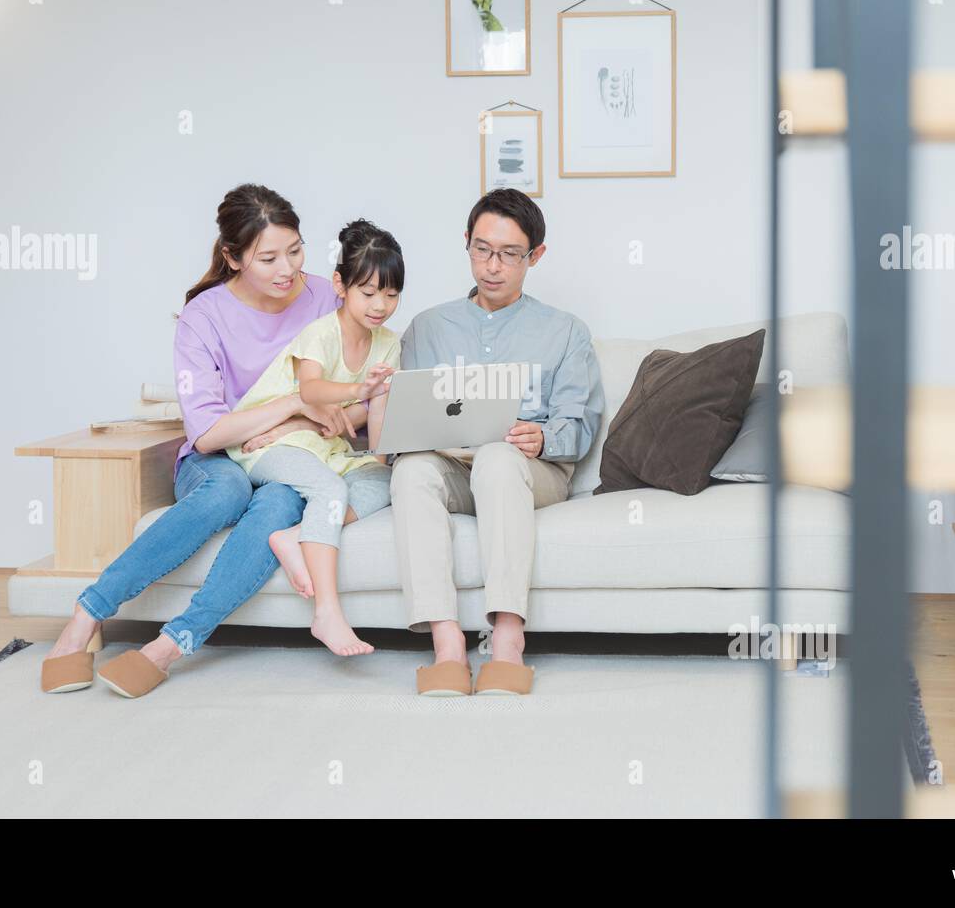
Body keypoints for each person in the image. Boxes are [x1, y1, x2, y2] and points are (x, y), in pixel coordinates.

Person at [41, 184, 366, 699]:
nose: (288, 270)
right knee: (228, 492)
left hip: (290, 457)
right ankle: (86, 616)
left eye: (296, 250)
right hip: (215, 460)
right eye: (268, 258)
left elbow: (358, 385)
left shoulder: (328, 298)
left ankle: (171, 644)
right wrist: (292, 404)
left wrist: (315, 419)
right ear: (233, 257)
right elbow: (209, 433)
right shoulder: (204, 316)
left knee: (280, 500)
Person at [391, 189, 604, 697]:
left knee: (498, 456)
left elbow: (578, 429)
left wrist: (543, 435)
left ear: (535, 256)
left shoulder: (566, 331)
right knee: (412, 470)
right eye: (482, 249)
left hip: (529, 471)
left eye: (510, 254)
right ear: (466, 244)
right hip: (451, 465)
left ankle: (508, 638)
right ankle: (446, 645)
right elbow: (403, 421)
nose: (493, 266)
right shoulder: (427, 327)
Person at [229, 220, 404, 657]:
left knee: (389, 481)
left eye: (391, 293)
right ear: (340, 285)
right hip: (269, 443)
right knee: (330, 488)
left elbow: (375, 417)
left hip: (326, 445)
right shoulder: (322, 333)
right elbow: (310, 391)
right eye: (368, 292)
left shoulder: (388, 344)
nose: (380, 305)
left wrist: (380, 458)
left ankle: (293, 536)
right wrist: (359, 392)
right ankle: (327, 613)